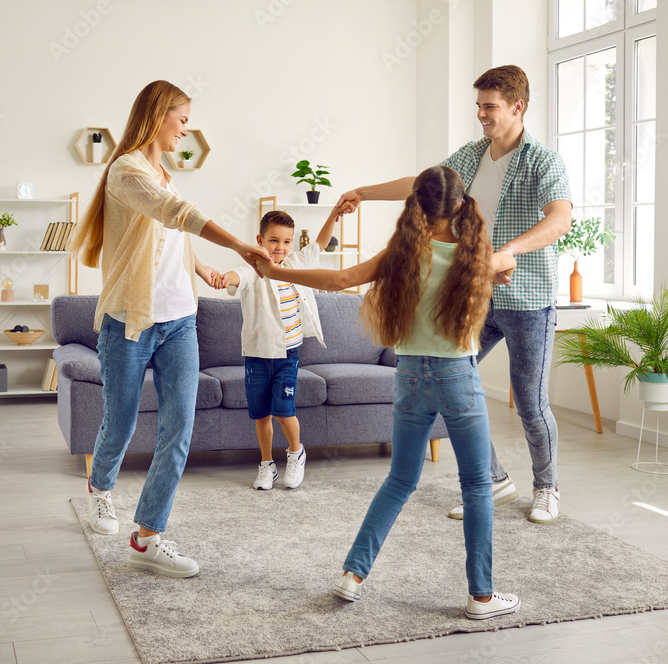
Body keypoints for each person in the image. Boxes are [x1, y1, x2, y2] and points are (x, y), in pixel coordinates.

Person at [257, 165, 520, 619]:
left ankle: (352, 575)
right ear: (460, 205)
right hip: (458, 375)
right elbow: (506, 265)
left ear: (416, 204)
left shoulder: (401, 255)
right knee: (477, 484)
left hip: (410, 374)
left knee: (400, 480)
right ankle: (481, 597)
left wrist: (275, 271)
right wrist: (492, 274)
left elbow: (339, 280)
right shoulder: (477, 253)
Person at [336, 65, 572, 525]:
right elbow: (422, 185)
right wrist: (363, 192)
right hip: (475, 298)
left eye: (490, 107)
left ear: (517, 106)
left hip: (527, 299)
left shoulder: (543, 161)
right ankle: (497, 480)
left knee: (529, 401)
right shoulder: (471, 155)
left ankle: (547, 486)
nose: (481, 114)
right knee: (451, 386)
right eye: (479, 106)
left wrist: (506, 253)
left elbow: (559, 220)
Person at [69, 80, 271, 578]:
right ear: (158, 116)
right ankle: (99, 489)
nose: (185, 128)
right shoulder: (127, 171)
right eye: (181, 119)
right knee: (120, 420)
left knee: (179, 427)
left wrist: (204, 270)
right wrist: (243, 246)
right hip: (130, 320)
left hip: (181, 320)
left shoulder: (162, 172)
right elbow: (176, 214)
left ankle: (149, 534)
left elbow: (170, 235)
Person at [211, 205, 346, 490]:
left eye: (286, 241)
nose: (280, 247)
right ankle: (266, 465)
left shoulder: (297, 263)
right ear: (260, 241)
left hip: (288, 355)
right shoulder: (251, 268)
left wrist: (334, 214)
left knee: (284, 412)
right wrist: (225, 279)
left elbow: (321, 243)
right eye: (273, 240)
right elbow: (237, 277)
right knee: (261, 415)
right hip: (257, 356)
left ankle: (296, 453)